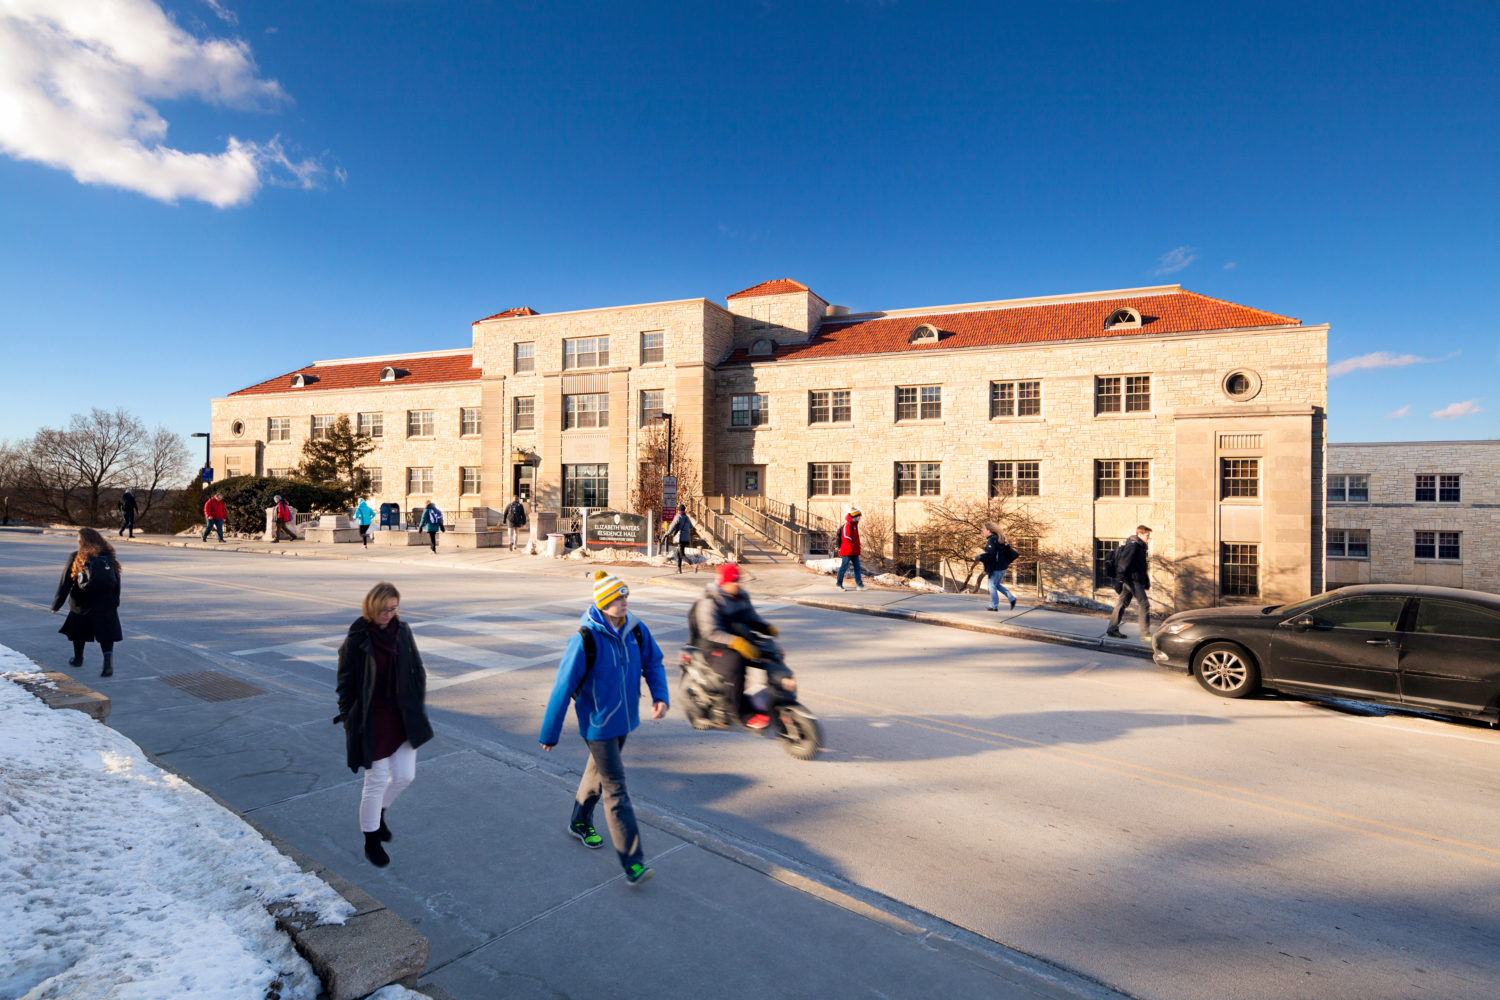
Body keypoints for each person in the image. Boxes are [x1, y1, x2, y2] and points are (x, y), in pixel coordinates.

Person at [539, 571, 669, 887]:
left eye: (626, 597)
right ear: (603, 602)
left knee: (596, 774)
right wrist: (550, 732)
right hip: (597, 724)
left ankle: (579, 822)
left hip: (624, 720)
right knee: (616, 789)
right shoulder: (585, 640)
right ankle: (633, 862)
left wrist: (660, 695)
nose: (624, 602)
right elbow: (562, 687)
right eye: (617, 598)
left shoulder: (636, 631)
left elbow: (653, 663)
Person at [335, 582, 434, 868]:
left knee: (405, 776)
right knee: (375, 782)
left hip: (402, 716)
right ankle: (371, 840)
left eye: (394, 609)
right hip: (372, 719)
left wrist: (416, 701)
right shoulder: (357, 639)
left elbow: (417, 669)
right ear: (372, 607)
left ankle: (378, 815)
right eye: (385, 609)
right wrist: (351, 721)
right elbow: (345, 687)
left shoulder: (402, 631)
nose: (389, 614)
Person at [690, 562, 776, 729]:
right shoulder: (710, 600)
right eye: (734, 582)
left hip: (739, 641)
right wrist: (736, 642)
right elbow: (710, 632)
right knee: (737, 664)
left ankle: (768, 698)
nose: (738, 584)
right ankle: (742, 713)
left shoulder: (741, 596)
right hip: (713, 647)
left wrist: (765, 628)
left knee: (770, 654)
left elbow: (751, 617)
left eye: (739, 581)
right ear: (724, 583)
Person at [50, 527, 123, 678]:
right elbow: (116, 580)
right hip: (106, 601)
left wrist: (57, 604)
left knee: (79, 630)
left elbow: (65, 582)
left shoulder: (77, 556)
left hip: (82, 601)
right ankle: (108, 664)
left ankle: (78, 659)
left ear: (82, 541)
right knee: (106, 633)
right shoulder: (108, 555)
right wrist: (115, 599)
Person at [1107, 525, 1154, 640]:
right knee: (1144, 604)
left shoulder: (1140, 546)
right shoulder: (1133, 546)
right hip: (1132, 581)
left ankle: (1112, 629)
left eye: (1149, 535)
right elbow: (1124, 563)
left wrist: (1146, 580)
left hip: (1133, 580)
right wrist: (1119, 580)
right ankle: (1145, 634)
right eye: (1147, 535)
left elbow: (1141, 567)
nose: (1148, 537)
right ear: (1140, 534)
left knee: (1121, 604)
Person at [978, 522, 1019, 611]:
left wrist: (981, 557)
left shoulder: (992, 540)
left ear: (989, 531)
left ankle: (994, 606)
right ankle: (1011, 598)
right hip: (1003, 567)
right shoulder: (1000, 539)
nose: (982, 530)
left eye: (983, 529)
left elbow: (991, 555)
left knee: (992, 586)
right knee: (996, 585)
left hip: (996, 567)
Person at [835, 507, 865, 590]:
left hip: (854, 551)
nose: (860, 517)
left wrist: (856, 548)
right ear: (855, 516)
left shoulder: (854, 525)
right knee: (843, 568)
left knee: (857, 568)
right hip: (847, 551)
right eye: (859, 516)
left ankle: (859, 585)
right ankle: (838, 584)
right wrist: (852, 546)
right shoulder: (848, 525)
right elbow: (846, 536)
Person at [664, 504, 691, 573]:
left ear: (678, 510)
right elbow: (691, 526)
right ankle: (679, 569)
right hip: (687, 538)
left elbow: (672, 527)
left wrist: (666, 534)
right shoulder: (687, 517)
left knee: (681, 554)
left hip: (680, 538)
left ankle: (692, 564)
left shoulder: (678, 517)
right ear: (684, 510)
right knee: (679, 553)